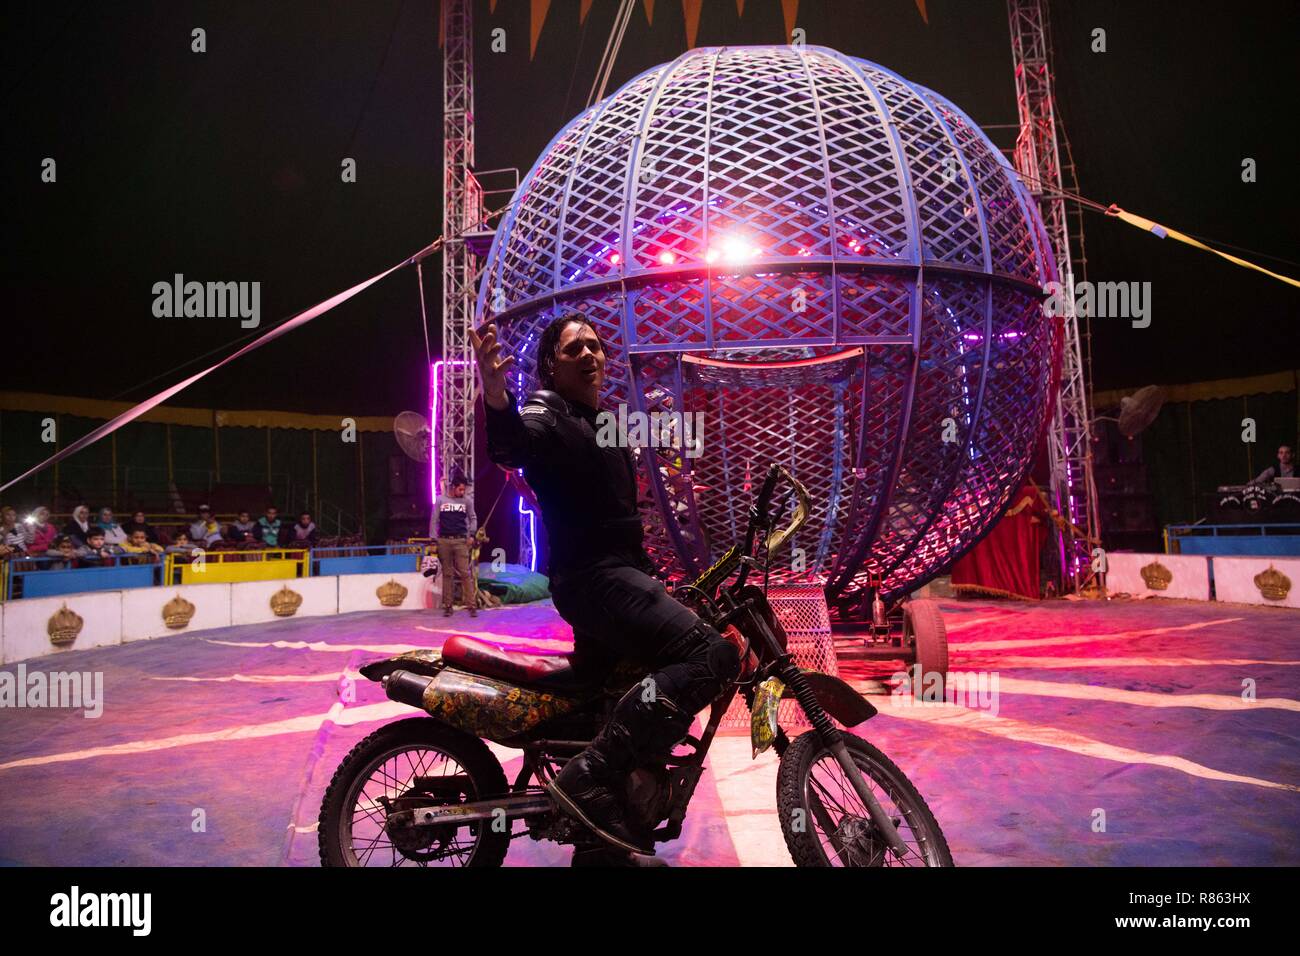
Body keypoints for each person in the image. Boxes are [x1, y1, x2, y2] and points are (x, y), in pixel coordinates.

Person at [474, 312, 740, 856]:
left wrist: (656, 582)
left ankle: (608, 829)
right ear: (552, 364)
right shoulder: (548, 416)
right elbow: (512, 447)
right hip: (593, 580)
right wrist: (496, 394)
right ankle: (590, 773)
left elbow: (622, 520)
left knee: (612, 694)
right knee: (711, 656)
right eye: (575, 349)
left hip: (618, 575)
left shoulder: (605, 424)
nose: (590, 355)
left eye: (595, 346)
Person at [432, 474, 479, 617]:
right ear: (453, 487)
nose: (462, 492)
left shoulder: (467, 501)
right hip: (444, 541)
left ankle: (472, 605)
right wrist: (434, 539)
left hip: (461, 541)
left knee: (465, 573)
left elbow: (473, 518)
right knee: (447, 574)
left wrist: (471, 534)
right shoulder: (441, 500)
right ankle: (448, 606)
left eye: (464, 489)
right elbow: (434, 519)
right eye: (460, 489)